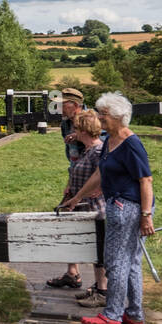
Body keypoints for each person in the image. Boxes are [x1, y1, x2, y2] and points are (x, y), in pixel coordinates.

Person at [62, 92, 154, 324]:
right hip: (117, 204)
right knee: (131, 261)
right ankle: (134, 314)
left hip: (127, 207)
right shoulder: (110, 141)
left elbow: (146, 180)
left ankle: (112, 314)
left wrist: (146, 215)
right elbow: (100, 174)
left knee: (116, 261)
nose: (100, 118)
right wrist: (77, 198)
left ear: (118, 116)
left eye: (104, 114)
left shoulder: (130, 143)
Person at [53, 110, 108, 306]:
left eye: (77, 128)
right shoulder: (86, 150)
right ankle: (97, 286)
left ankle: (103, 290)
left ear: (84, 130)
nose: (74, 131)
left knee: (98, 249)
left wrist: (84, 194)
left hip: (94, 208)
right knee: (90, 247)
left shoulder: (98, 150)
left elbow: (103, 175)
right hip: (82, 205)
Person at [47, 87, 88, 289]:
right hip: (76, 177)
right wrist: (70, 184)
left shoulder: (91, 121)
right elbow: (73, 157)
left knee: (96, 227)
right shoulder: (65, 124)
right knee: (69, 221)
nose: (59, 107)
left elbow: (100, 149)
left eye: (63, 104)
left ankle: (102, 285)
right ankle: (73, 273)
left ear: (75, 106)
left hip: (94, 182)